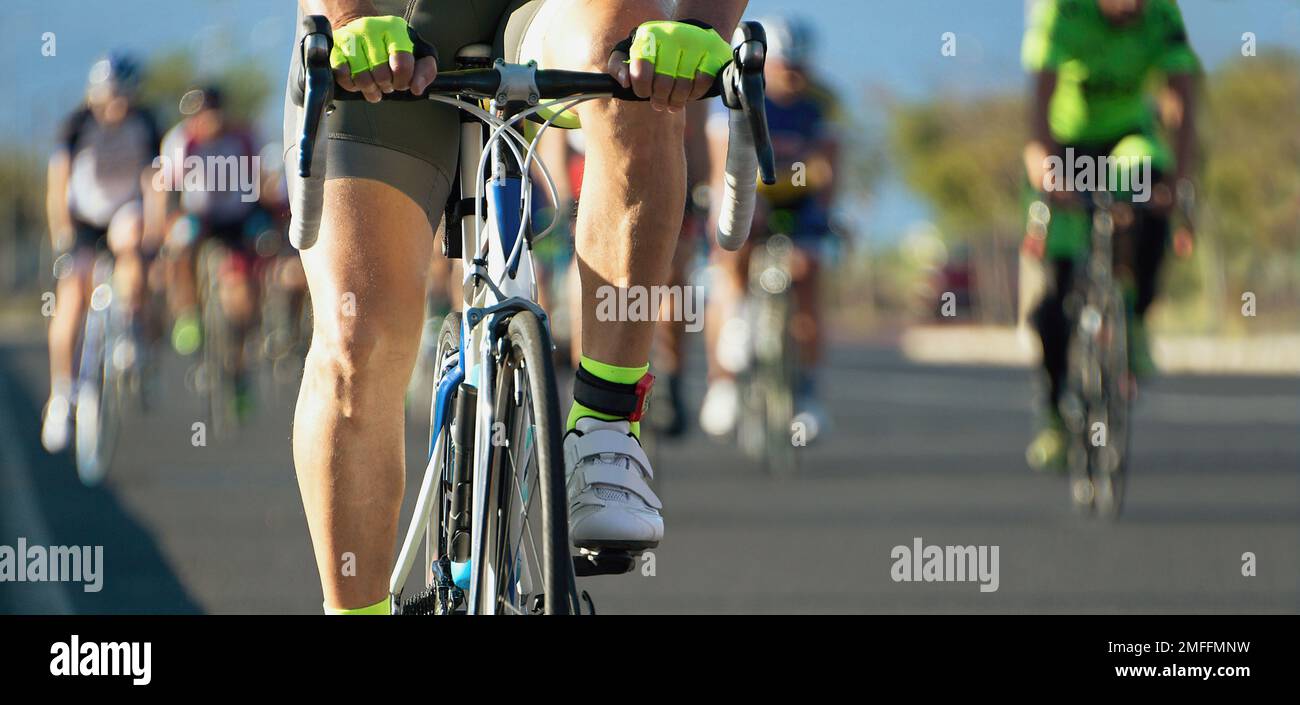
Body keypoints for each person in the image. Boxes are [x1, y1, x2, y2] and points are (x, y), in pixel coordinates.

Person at [285, 0, 747, 614]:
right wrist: (348, 19)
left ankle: (606, 429)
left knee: (639, 64)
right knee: (355, 338)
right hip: (391, 20)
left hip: (559, 11)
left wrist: (702, 28)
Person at [1021, 0, 1199, 471]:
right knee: (1055, 295)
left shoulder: (1162, 13)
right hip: (1067, 145)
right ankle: (1056, 415)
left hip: (1126, 138)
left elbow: (1180, 92)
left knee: (1147, 185)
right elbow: (1039, 95)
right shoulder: (1062, 11)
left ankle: (1132, 313)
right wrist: (1044, 166)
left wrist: (1177, 182)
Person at [698, 15, 841, 443]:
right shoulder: (740, 88)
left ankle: (809, 394)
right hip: (745, 190)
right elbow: (720, 157)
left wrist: (826, 211)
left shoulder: (823, 101)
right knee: (732, 252)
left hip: (800, 199)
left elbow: (830, 165)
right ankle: (724, 374)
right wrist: (727, 210)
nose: (792, 77)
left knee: (810, 273)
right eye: (784, 68)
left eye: (800, 69)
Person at [41, 52, 161, 453]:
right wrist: (62, 233)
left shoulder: (145, 123)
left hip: (123, 212)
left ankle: (127, 328)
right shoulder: (77, 125)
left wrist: (154, 231)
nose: (117, 105)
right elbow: (57, 183)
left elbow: (152, 182)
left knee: (131, 243)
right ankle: (62, 394)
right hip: (83, 218)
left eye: (124, 97)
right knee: (72, 297)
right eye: (110, 96)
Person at [157, 86, 266, 421]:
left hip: (235, 219)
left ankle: (240, 368)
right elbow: (168, 190)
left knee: (242, 298)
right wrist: (166, 225)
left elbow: (261, 183)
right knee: (178, 247)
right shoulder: (181, 141)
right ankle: (188, 312)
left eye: (210, 114)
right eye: (197, 116)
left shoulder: (244, 138)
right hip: (198, 217)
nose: (205, 122)